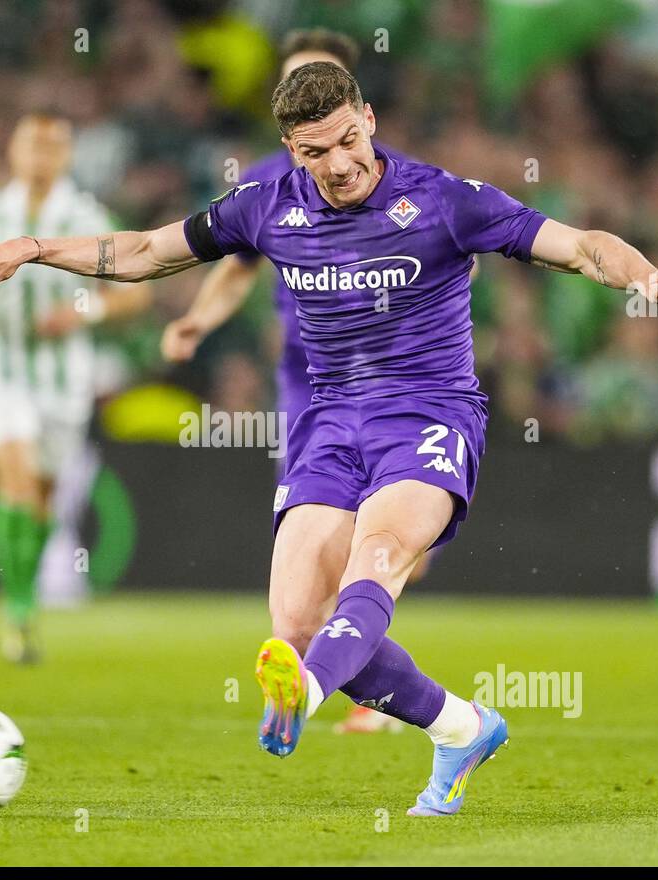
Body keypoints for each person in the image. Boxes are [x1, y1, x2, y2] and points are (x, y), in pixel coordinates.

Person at [0, 62, 658, 814]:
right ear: (291, 151)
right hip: (329, 425)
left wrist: (645, 275)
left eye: (346, 142)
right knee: (297, 624)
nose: (337, 165)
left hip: (429, 417)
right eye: (314, 151)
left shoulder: (443, 201)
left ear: (369, 122)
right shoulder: (266, 204)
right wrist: (31, 251)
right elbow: (147, 251)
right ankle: (463, 729)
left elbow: (579, 245)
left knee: (380, 559)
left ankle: (307, 691)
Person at [161, 29, 421, 736]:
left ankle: (361, 686)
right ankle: (355, 679)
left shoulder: (400, 181)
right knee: (315, 545)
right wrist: (198, 319)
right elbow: (234, 261)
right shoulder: (265, 186)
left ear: (358, 106)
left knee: (384, 539)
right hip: (307, 381)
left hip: (392, 382)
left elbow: (455, 250)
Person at [0, 112, 151, 664]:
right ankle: (18, 609)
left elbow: (135, 293)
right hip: (1, 364)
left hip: (64, 378)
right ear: (13, 152)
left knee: (40, 501)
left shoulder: (86, 218)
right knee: (14, 485)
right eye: (30, 145)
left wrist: (81, 309)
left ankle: (24, 603)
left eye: (52, 146)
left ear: (66, 156)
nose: (40, 156)